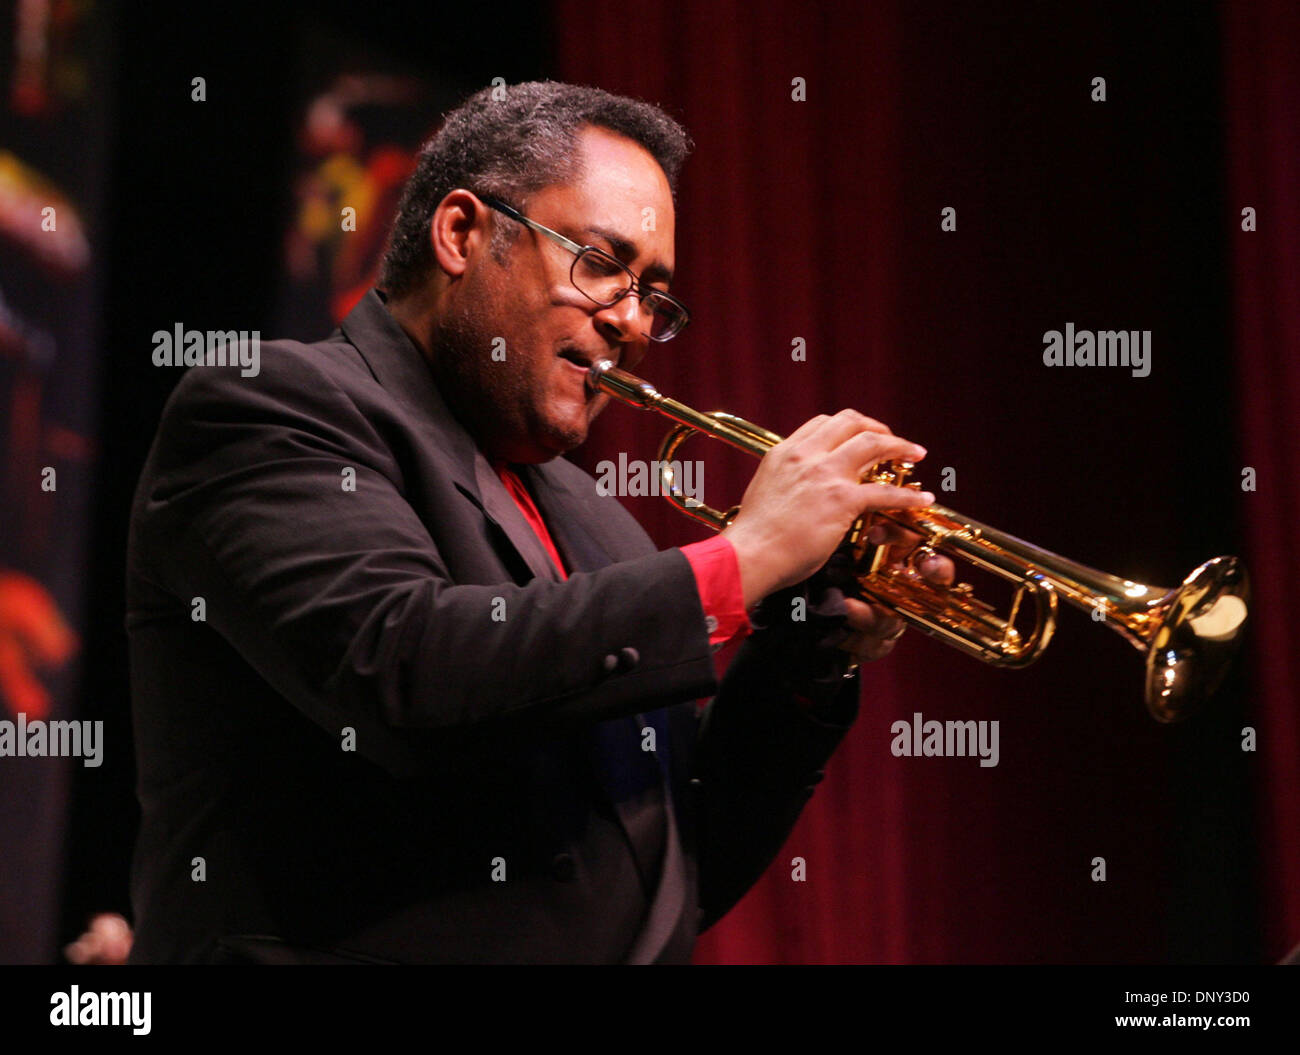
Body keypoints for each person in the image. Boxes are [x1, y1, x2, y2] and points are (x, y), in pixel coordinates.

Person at [124, 81, 949, 964]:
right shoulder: (269, 406)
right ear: (462, 234)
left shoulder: (600, 526)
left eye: (653, 295)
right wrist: (744, 559)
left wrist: (806, 648)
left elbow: (670, 868)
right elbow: (398, 667)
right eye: (601, 263)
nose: (632, 321)